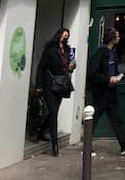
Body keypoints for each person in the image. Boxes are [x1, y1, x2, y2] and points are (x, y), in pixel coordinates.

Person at [87, 27, 125, 156]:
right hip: (101, 92)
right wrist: (108, 79)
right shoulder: (101, 53)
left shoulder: (113, 53)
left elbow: (112, 69)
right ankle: (87, 147)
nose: (119, 38)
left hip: (110, 91)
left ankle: (124, 145)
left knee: (116, 119)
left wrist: (116, 76)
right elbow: (92, 73)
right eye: (117, 36)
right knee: (93, 120)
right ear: (112, 38)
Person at [36, 26, 76, 156]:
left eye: (67, 36)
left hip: (61, 85)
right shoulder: (50, 50)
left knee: (54, 111)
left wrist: (71, 67)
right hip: (49, 85)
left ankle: (41, 132)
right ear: (59, 35)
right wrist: (39, 85)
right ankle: (55, 144)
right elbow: (41, 67)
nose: (65, 38)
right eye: (64, 35)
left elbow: (67, 68)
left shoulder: (67, 50)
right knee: (53, 113)